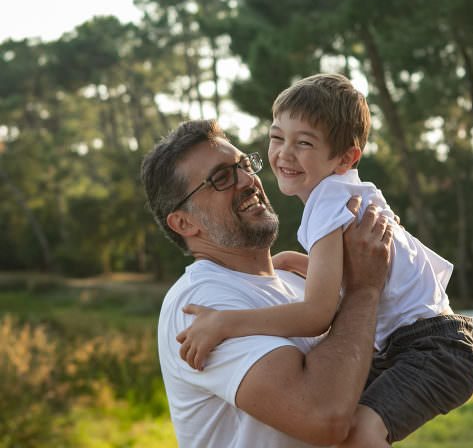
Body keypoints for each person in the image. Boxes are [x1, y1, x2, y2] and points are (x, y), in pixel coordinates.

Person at [177, 74, 473, 445]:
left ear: (345, 157)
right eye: (277, 137)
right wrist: (300, 261)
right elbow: (374, 275)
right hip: (427, 341)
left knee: (358, 433)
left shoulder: (327, 203)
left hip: (429, 349)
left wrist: (226, 323)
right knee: (336, 418)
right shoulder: (350, 192)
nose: (284, 154)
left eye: (304, 142)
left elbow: (316, 314)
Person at [142, 119, 395, 447]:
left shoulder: (298, 283)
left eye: (244, 164)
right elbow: (324, 418)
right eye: (221, 178)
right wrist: (363, 290)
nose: (248, 180)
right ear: (183, 222)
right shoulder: (200, 304)